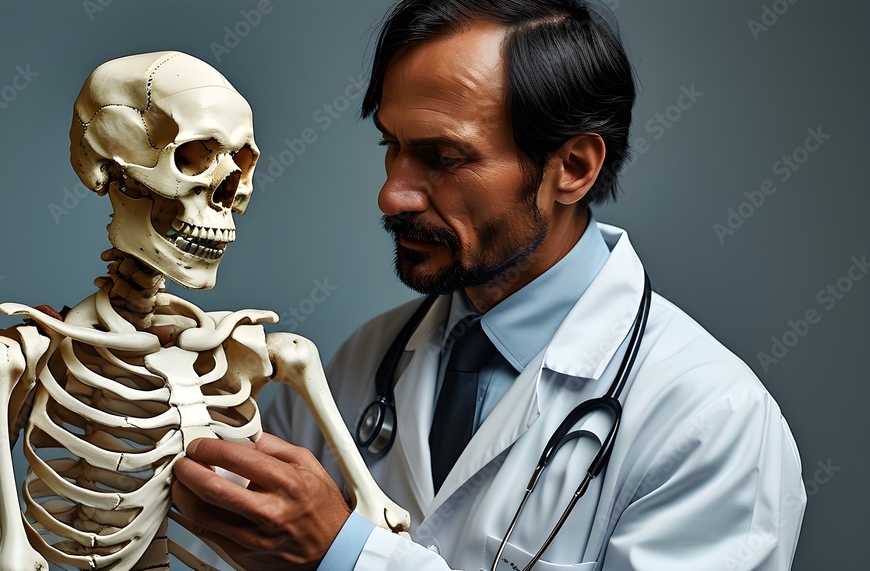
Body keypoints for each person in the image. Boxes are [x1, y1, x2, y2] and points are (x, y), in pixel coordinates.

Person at [172, 1, 806, 569]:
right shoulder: (364, 362)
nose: (392, 192)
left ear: (574, 169)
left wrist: (347, 555)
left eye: (443, 157)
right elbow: (214, 540)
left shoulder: (713, 425)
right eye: (391, 145)